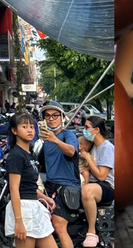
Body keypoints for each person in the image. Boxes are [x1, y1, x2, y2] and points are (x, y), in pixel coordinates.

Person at [5, 112, 59, 248]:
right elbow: (14, 189)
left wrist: (45, 198)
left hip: (34, 207)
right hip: (23, 209)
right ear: (14, 131)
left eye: (31, 127)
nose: (29, 130)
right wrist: (19, 221)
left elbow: (28, 186)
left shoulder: (31, 154)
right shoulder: (16, 155)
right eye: (24, 127)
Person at [37, 101, 80, 248]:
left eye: (55, 115)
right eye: (47, 115)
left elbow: (71, 151)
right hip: (50, 186)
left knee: (59, 226)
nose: (51, 119)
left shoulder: (68, 135)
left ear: (62, 117)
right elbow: (40, 163)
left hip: (67, 186)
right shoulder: (44, 141)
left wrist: (54, 139)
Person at [79, 116, 114, 247]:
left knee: (87, 190)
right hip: (95, 183)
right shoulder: (94, 147)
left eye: (87, 127)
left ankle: (91, 231)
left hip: (107, 186)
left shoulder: (106, 147)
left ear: (97, 129)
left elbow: (101, 176)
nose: (85, 130)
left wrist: (88, 158)